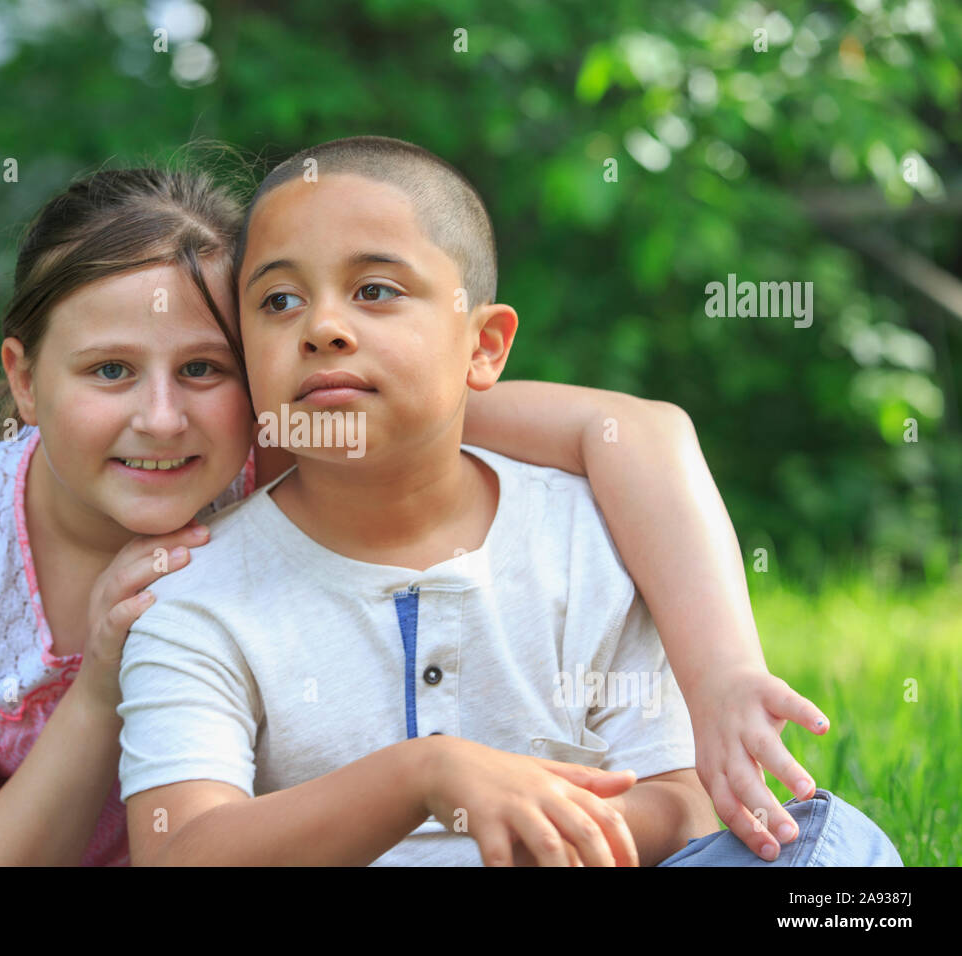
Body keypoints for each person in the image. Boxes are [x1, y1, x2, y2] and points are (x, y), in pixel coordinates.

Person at [0, 152, 827, 867]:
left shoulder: (303, 429)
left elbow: (635, 434)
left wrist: (723, 671)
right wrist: (100, 687)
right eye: (109, 369)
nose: (161, 418)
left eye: (204, 367)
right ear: (23, 380)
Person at [115, 136, 903, 866]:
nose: (322, 326)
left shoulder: (588, 533)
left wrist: (532, 828)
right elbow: (180, 850)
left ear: (484, 345)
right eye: (279, 302)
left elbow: (686, 803)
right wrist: (428, 775)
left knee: (827, 848)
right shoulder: (195, 592)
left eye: (376, 290)